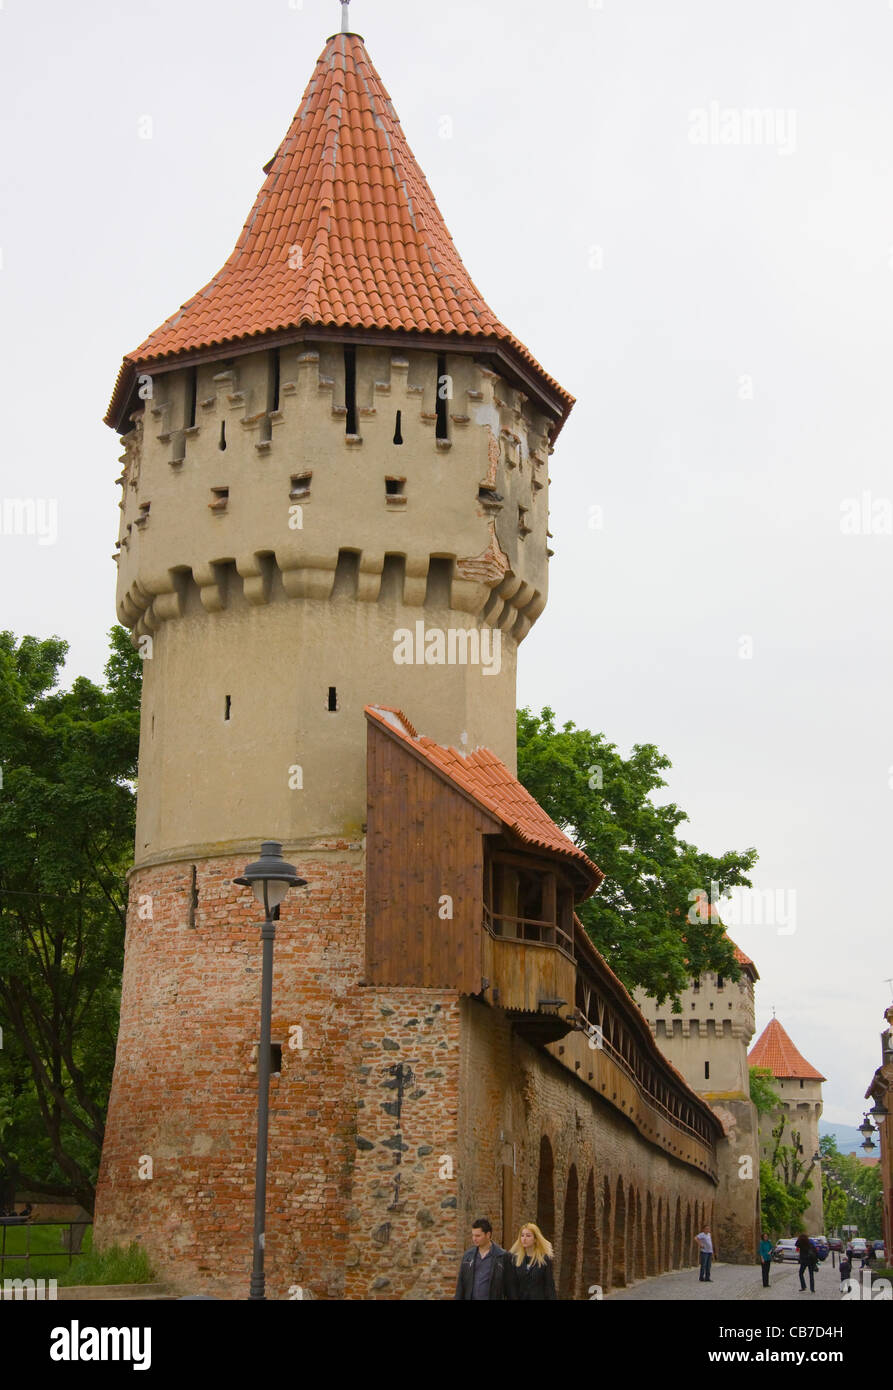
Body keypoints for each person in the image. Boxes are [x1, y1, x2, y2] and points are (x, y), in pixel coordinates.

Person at [454, 1218, 509, 1300]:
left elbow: (510, 1288)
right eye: (473, 1235)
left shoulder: (502, 1256)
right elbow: (460, 1286)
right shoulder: (467, 1256)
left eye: (478, 1236)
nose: (474, 1239)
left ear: (488, 1235)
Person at [506, 1221, 557, 1300]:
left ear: (535, 1239)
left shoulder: (544, 1259)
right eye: (522, 1236)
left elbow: (549, 1286)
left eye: (528, 1236)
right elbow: (512, 1285)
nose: (524, 1239)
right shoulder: (514, 1259)